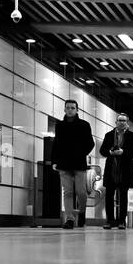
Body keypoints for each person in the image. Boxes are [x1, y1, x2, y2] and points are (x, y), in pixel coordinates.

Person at [50, 98, 94, 229]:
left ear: (77, 110)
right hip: (63, 163)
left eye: (72, 108)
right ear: (64, 109)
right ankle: (69, 219)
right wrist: (54, 161)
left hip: (79, 163)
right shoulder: (60, 125)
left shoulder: (84, 125)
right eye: (67, 108)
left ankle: (82, 212)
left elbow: (90, 143)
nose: (70, 110)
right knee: (68, 192)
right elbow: (56, 144)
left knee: (81, 191)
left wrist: (81, 153)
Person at [99, 113, 133, 229]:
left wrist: (123, 152)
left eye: (124, 121)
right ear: (115, 122)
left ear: (127, 123)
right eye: (119, 120)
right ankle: (109, 221)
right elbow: (102, 151)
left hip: (124, 169)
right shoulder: (108, 135)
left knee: (123, 197)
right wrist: (110, 153)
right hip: (111, 169)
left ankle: (122, 221)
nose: (122, 122)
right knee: (109, 197)